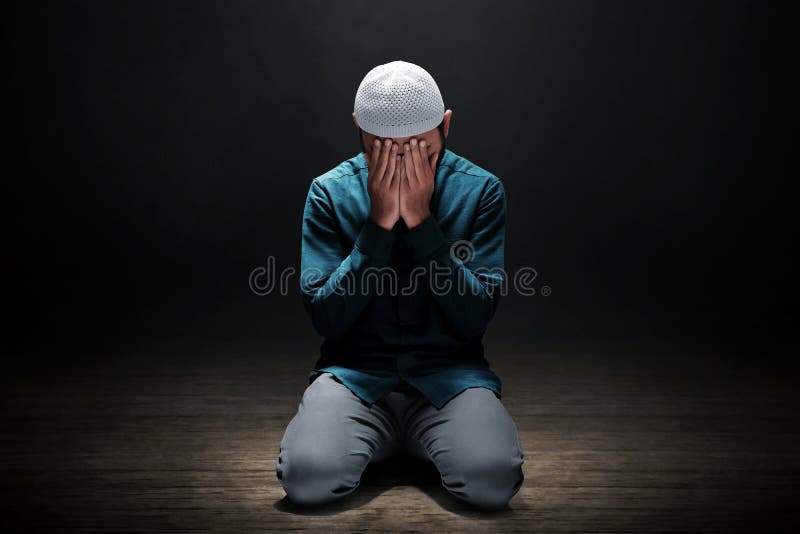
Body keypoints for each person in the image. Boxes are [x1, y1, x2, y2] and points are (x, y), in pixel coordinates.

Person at [276, 60, 524, 510]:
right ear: (358, 130)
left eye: (420, 151)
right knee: (307, 480)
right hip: (356, 377)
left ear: (445, 126)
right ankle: (384, 440)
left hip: (449, 377)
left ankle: (414, 442)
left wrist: (424, 225)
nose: (402, 167)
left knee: (492, 481)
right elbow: (327, 319)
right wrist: (376, 227)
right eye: (383, 152)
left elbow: (474, 319)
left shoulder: (481, 190)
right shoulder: (328, 193)